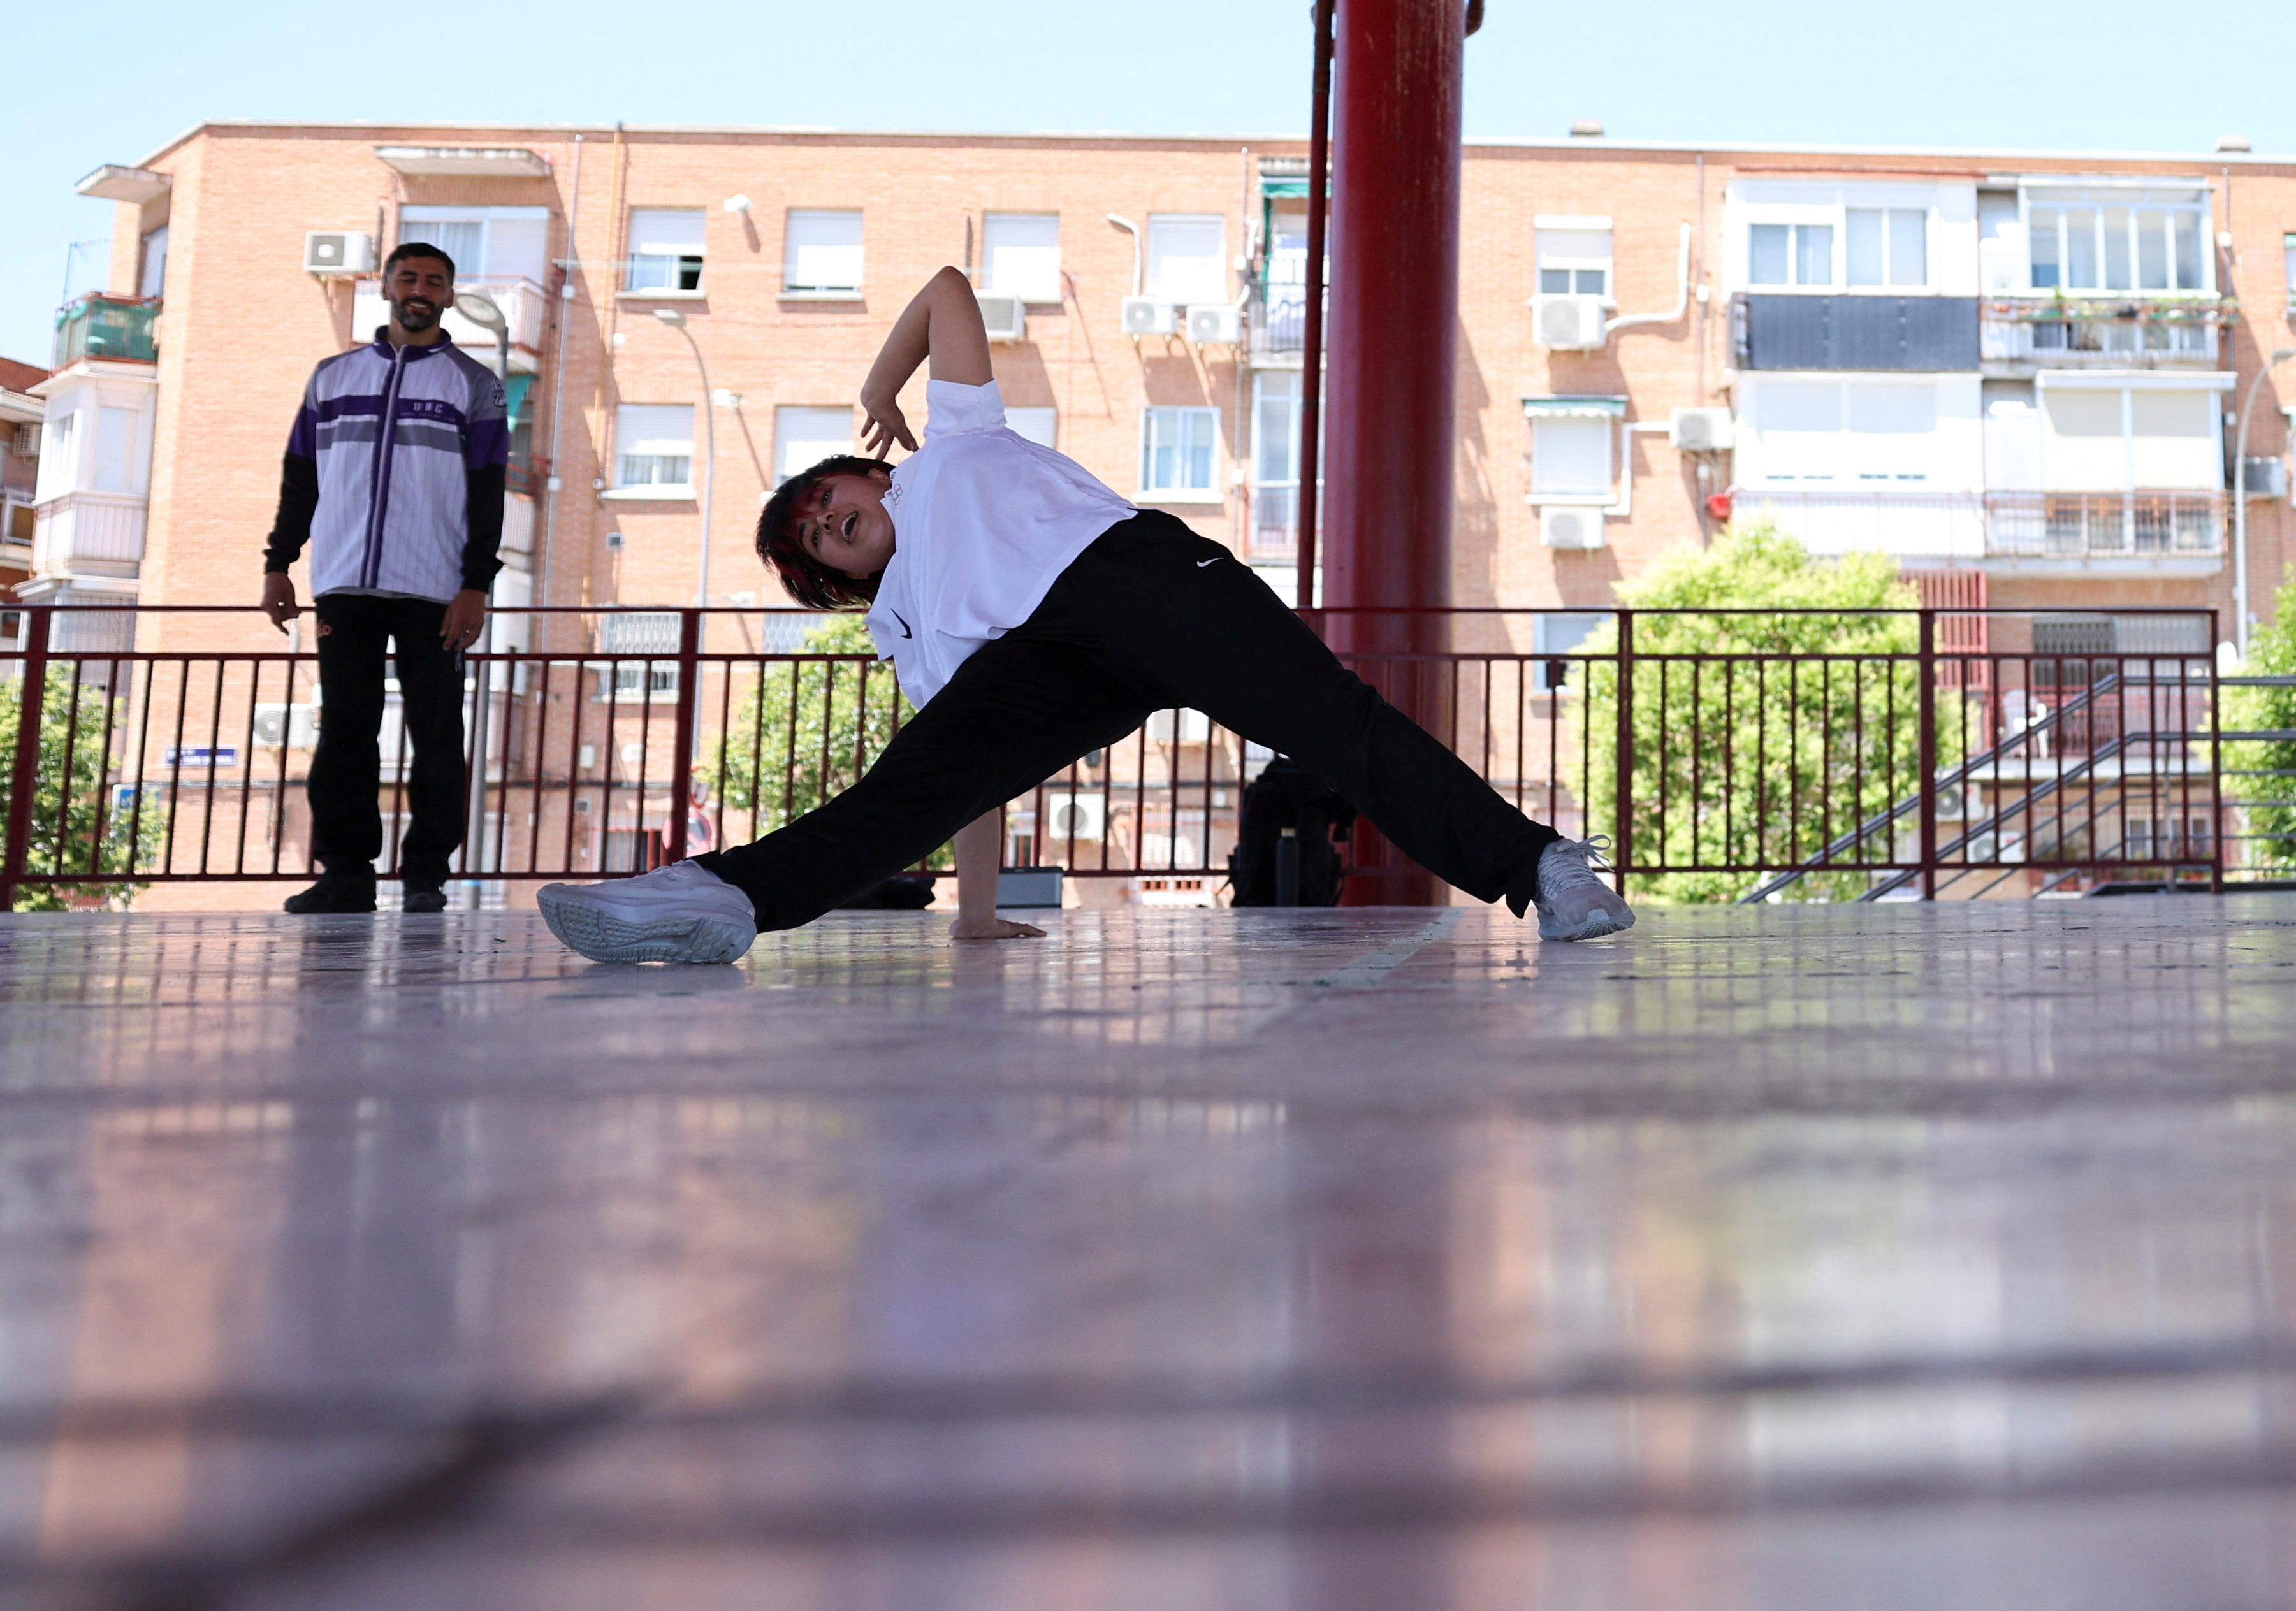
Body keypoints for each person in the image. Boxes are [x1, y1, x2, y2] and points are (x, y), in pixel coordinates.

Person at [536, 266, 1631, 964]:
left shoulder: (949, 448)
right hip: (1040, 661)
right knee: (904, 783)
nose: (831, 517)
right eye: (816, 537)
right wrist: (971, 913)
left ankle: (1541, 866)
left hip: (1131, 576)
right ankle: (718, 897)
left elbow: (947, 291)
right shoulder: (903, 622)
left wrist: (881, 388)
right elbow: (960, 782)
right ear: (836, 581)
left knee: (1330, 724)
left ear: (870, 477)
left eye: (831, 496)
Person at [261, 242, 507, 914]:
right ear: (388, 288)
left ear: (450, 296)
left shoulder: (475, 384)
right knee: (345, 729)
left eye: (433, 280)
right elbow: (299, 479)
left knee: (435, 733)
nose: (419, 289)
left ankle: (426, 874)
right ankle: (345, 874)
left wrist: (475, 585)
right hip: (343, 581)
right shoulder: (331, 377)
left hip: (435, 588)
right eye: (408, 277)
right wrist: (278, 564)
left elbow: (489, 493)